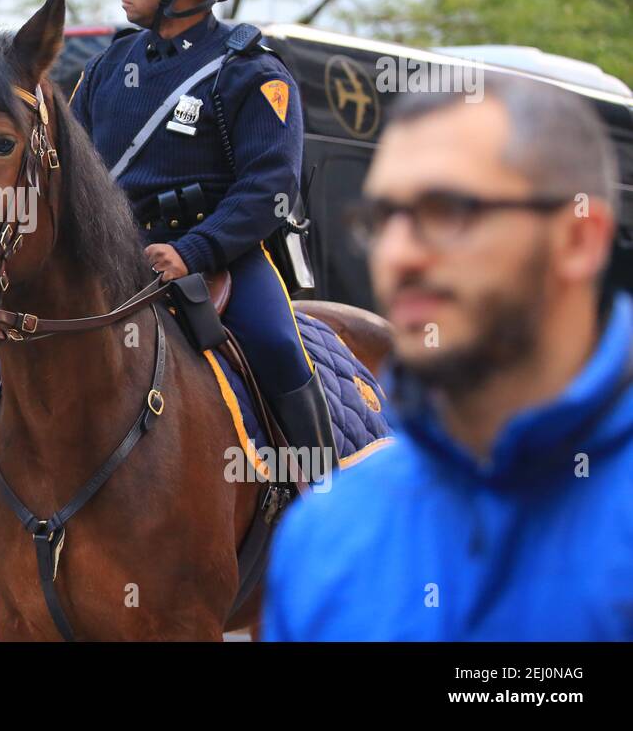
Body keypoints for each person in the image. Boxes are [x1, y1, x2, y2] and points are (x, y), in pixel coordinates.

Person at [0, 0, 334, 616]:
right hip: (114, 261)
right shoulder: (109, 66)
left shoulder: (250, 71)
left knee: (276, 349)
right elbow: (68, 174)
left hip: (216, 256)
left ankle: (326, 520)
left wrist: (194, 249)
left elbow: (270, 191)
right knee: (2, 373)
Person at [263, 82, 633, 640]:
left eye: (448, 210)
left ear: (579, 239)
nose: (399, 255)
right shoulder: (323, 533)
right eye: (383, 218)